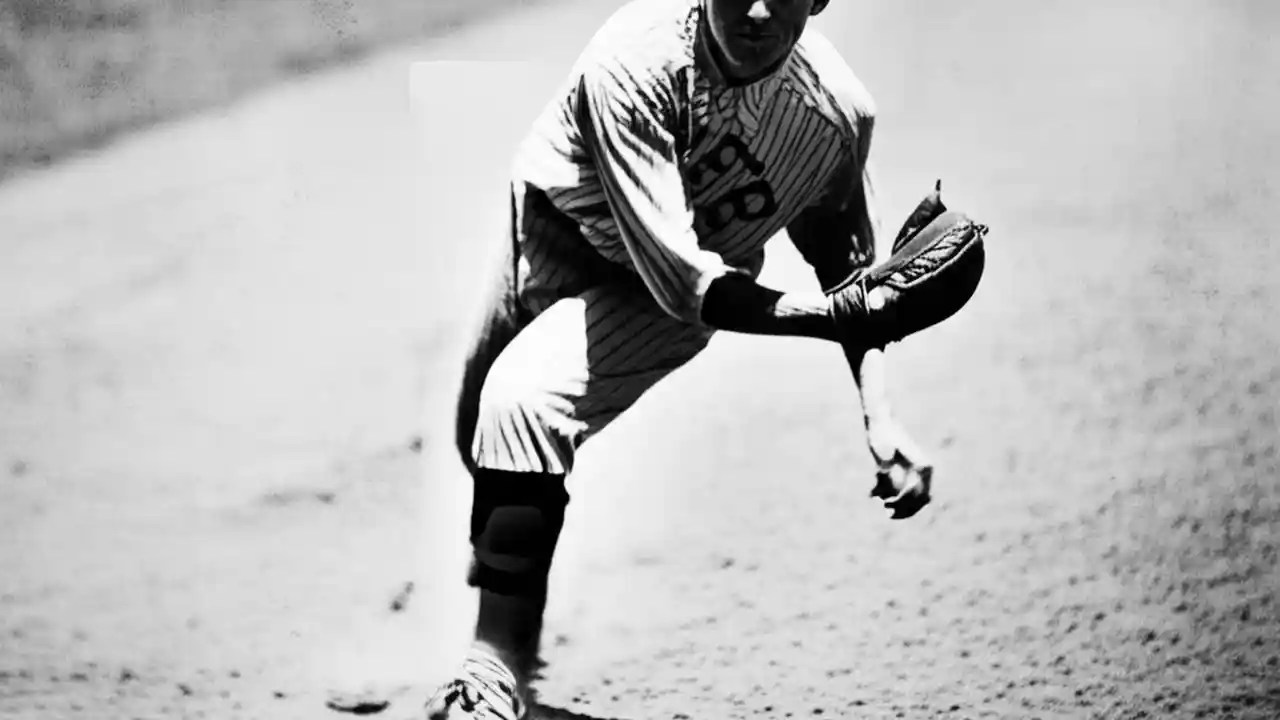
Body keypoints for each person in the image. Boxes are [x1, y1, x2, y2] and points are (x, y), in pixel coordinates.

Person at [423, 0, 985, 717]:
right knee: (479, 438)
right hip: (551, 237)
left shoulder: (835, 118)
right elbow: (688, 274)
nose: (755, 10)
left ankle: (492, 672)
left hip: (668, 304)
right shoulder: (633, 58)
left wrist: (882, 419)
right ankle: (514, 615)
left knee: (522, 406)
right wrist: (839, 316)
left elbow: (851, 280)